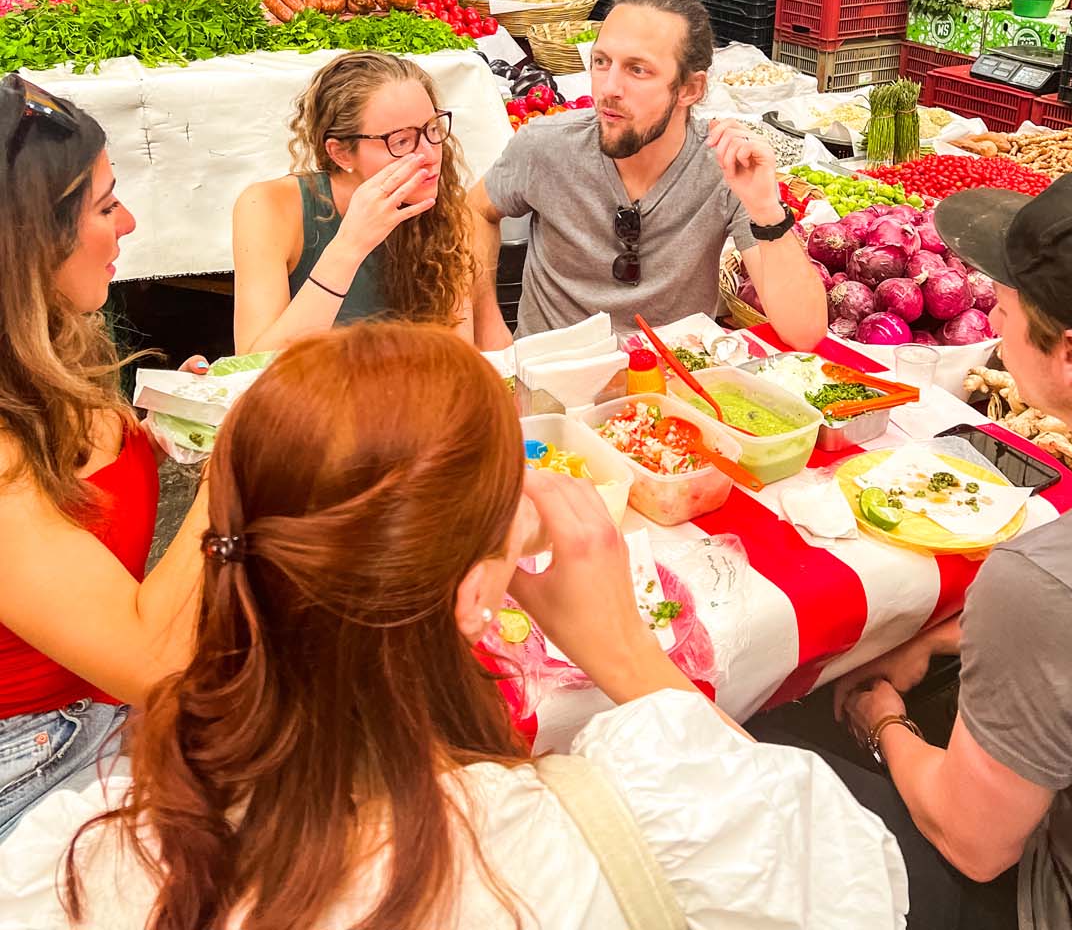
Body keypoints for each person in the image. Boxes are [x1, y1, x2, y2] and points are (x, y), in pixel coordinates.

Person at [1, 322, 908, 929]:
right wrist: (624, 650)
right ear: (478, 595)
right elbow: (847, 869)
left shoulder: (77, 866)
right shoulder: (618, 827)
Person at [832, 169, 1072, 930]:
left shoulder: (1044, 576)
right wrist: (948, 636)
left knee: (787, 775)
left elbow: (975, 843)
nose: (988, 309)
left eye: (1004, 298)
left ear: (1070, 356)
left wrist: (880, 719)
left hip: (1071, 903)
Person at [0, 76, 208, 842]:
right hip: (35, 770)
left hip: (98, 719)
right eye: (104, 205)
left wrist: (180, 425)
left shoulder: (51, 348)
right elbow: (155, 663)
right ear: (28, 242)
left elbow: (89, 494)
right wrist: (231, 466)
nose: (129, 222)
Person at [471, 0, 827, 346]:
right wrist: (487, 326)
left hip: (670, 385)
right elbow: (474, 210)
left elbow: (804, 333)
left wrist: (766, 210)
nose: (609, 87)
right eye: (601, 61)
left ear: (690, 89)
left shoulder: (723, 166)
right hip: (550, 380)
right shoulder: (545, 146)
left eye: (637, 70)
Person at [232, 50, 475, 353]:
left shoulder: (445, 213)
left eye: (432, 129)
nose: (429, 155)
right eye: (401, 141)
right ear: (341, 153)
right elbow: (254, 368)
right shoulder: (269, 207)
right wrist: (350, 245)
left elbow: (460, 361)